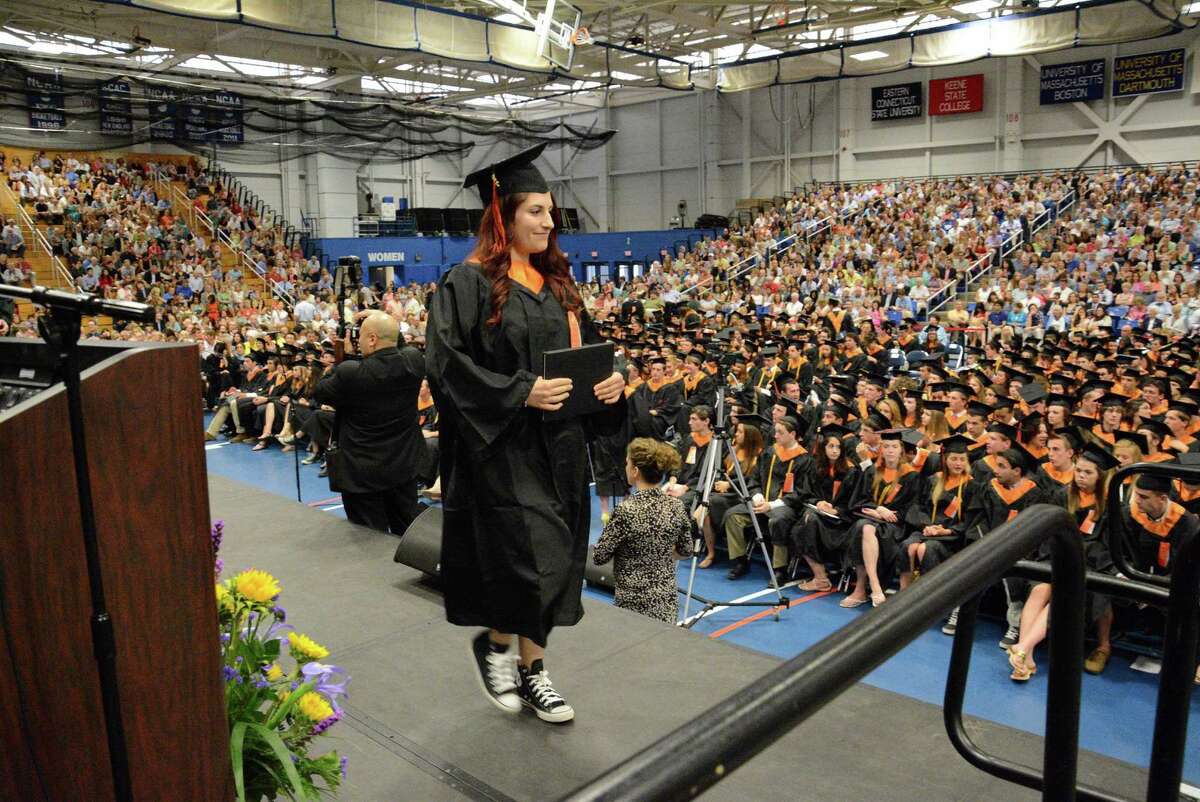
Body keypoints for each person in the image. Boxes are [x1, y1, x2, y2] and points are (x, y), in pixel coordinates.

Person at [426, 144, 626, 724]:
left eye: (550, 211)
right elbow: (445, 364)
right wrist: (520, 391)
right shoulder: (467, 283)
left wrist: (614, 379)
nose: (548, 221)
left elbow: (591, 353)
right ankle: (496, 646)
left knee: (560, 561)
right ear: (503, 215)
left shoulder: (558, 285)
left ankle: (533, 669)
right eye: (536, 211)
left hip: (561, 446)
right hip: (502, 449)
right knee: (528, 557)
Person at [314, 311, 426, 534]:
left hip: (362, 473)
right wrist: (381, 316)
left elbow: (320, 391)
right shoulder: (414, 360)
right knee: (406, 530)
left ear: (372, 339)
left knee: (370, 538)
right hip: (403, 464)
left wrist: (340, 359)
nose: (358, 342)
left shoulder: (351, 372)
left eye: (362, 337)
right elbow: (396, 342)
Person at [592, 438, 692, 624]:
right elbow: (686, 550)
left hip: (632, 603)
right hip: (665, 600)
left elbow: (599, 556)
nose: (625, 467)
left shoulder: (626, 510)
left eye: (627, 463)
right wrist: (658, 553)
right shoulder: (676, 506)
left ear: (635, 471)